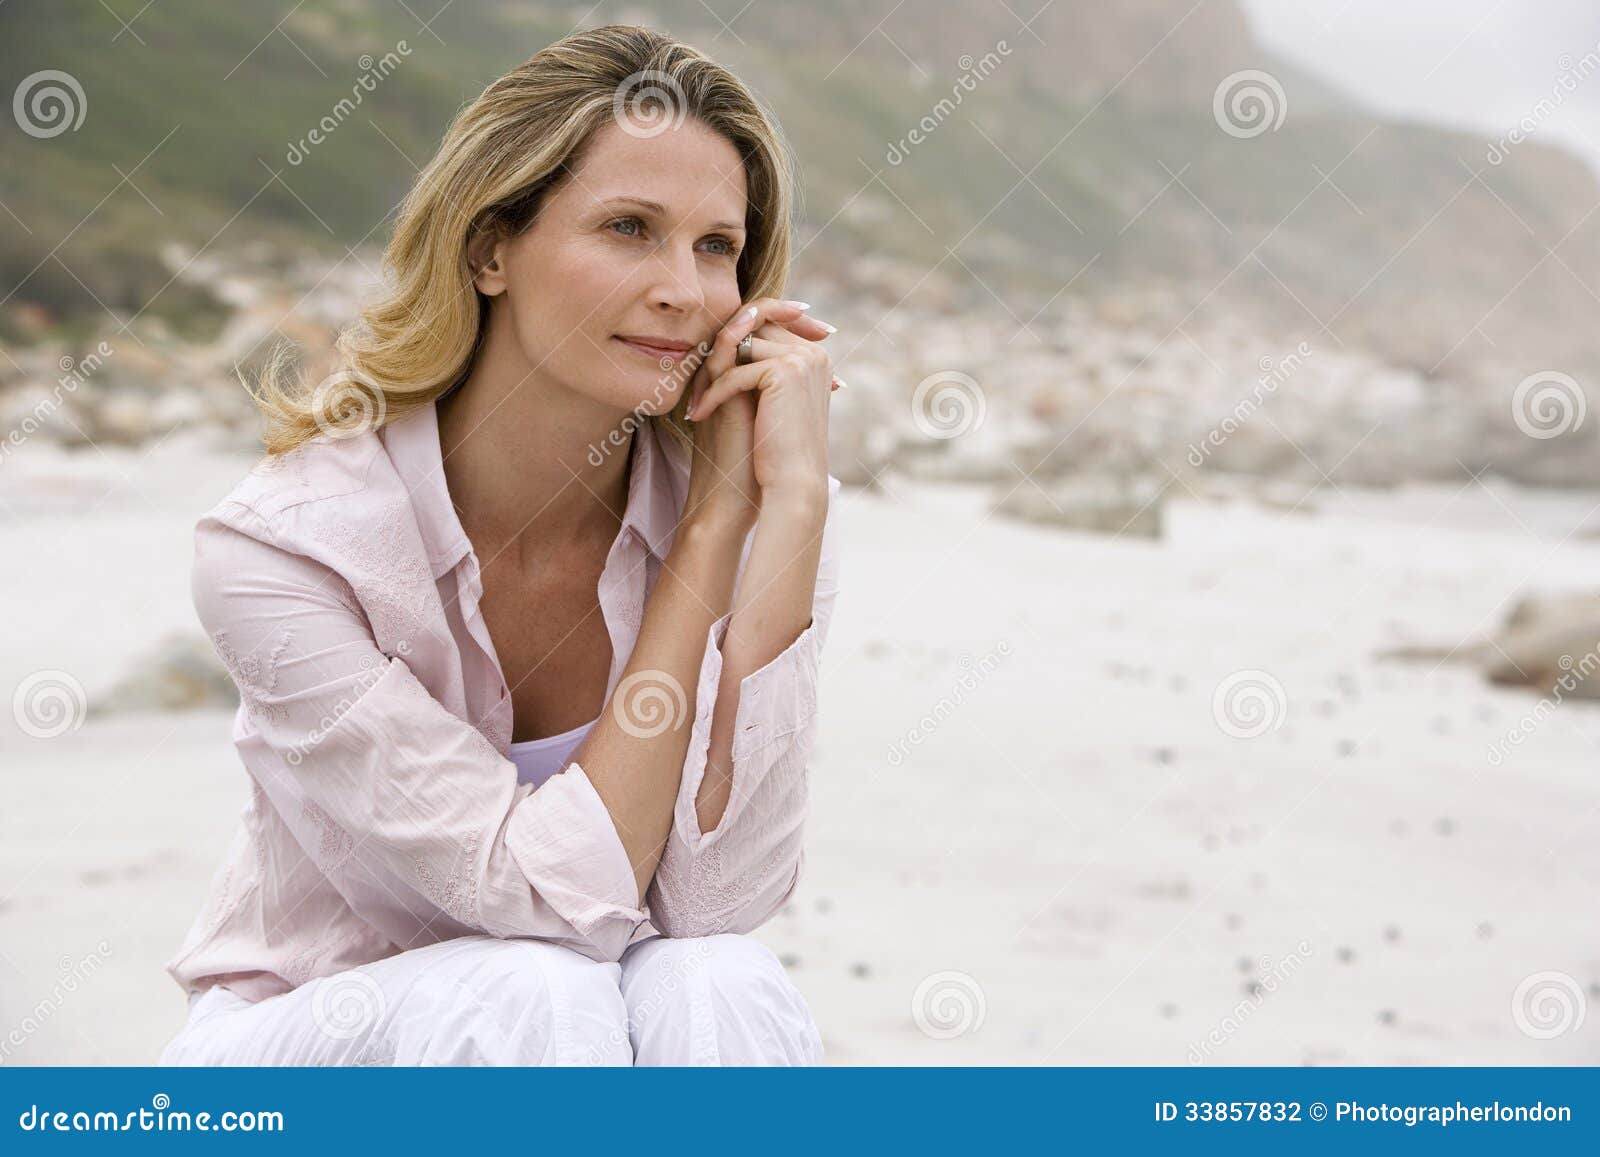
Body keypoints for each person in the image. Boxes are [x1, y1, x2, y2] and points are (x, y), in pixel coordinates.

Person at [156, 23, 843, 1066]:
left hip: (575, 1050)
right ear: (488, 250)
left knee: (719, 980)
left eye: (716, 246)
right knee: (530, 989)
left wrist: (761, 517)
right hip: (313, 1046)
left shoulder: (763, 512)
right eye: (629, 228)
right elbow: (539, 902)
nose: (686, 290)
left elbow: (716, 900)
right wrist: (715, 533)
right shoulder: (287, 552)